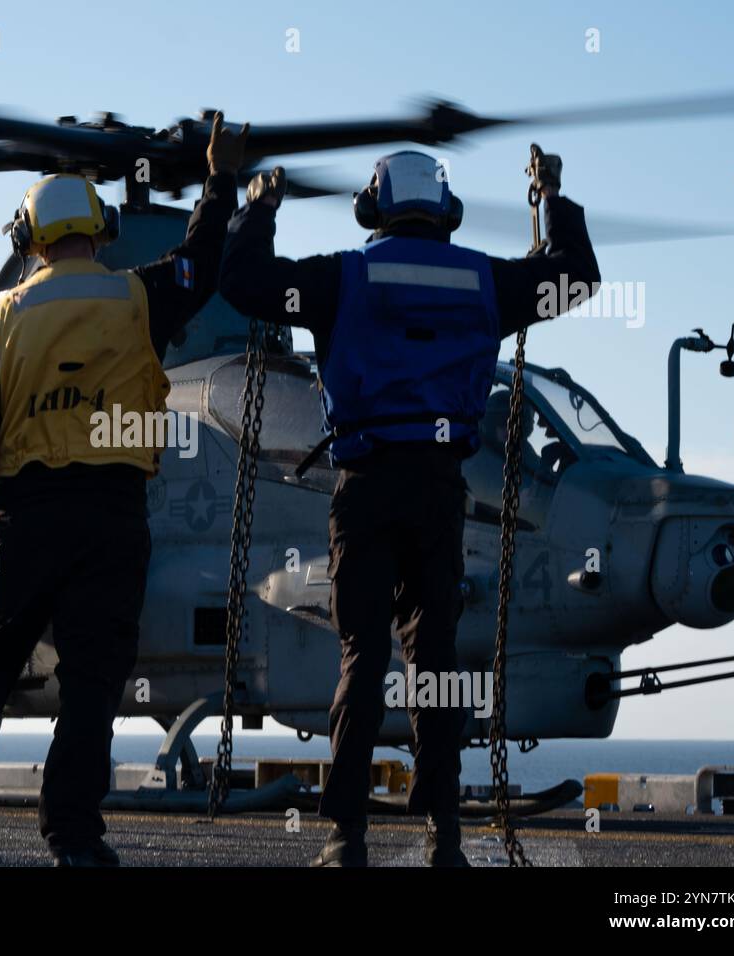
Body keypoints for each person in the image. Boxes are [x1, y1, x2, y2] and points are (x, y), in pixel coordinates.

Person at [219, 149, 599, 866]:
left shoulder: (342, 279)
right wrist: (553, 197)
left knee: (363, 655)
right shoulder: (486, 281)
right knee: (435, 658)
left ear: (375, 208)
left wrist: (258, 208)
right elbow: (575, 279)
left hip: (364, 485)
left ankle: (346, 837)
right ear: (445, 211)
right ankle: (444, 835)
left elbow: (241, 282)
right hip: (439, 489)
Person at [0, 115, 248, 866]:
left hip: (22, 518)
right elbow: (201, 260)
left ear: (30, 239)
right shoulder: (139, 297)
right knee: (94, 680)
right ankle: (70, 831)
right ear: (100, 231)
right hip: (110, 517)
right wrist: (219, 181)